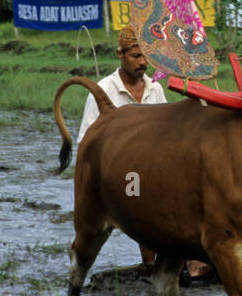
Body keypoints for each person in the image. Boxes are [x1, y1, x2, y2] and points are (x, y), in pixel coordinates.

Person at [75, 26, 183, 273]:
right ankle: (153, 266)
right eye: (136, 56)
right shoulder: (104, 90)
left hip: (151, 168)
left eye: (146, 56)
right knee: (142, 202)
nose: (143, 62)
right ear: (120, 54)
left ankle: (165, 265)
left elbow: (166, 135)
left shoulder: (155, 89)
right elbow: (86, 141)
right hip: (117, 172)